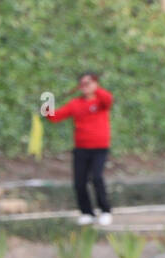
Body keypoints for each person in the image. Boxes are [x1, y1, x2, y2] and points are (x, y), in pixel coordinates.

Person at [46, 72, 114, 226]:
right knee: (79, 182)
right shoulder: (75, 104)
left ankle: (105, 210)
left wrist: (94, 86)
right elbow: (54, 117)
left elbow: (108, 99)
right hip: (81, 148)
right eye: (82, 83)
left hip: (100, 148)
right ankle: (86, 212)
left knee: (97, 178)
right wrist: (46, 103)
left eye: (88, 83)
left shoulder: (101, 101)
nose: (85, 86)